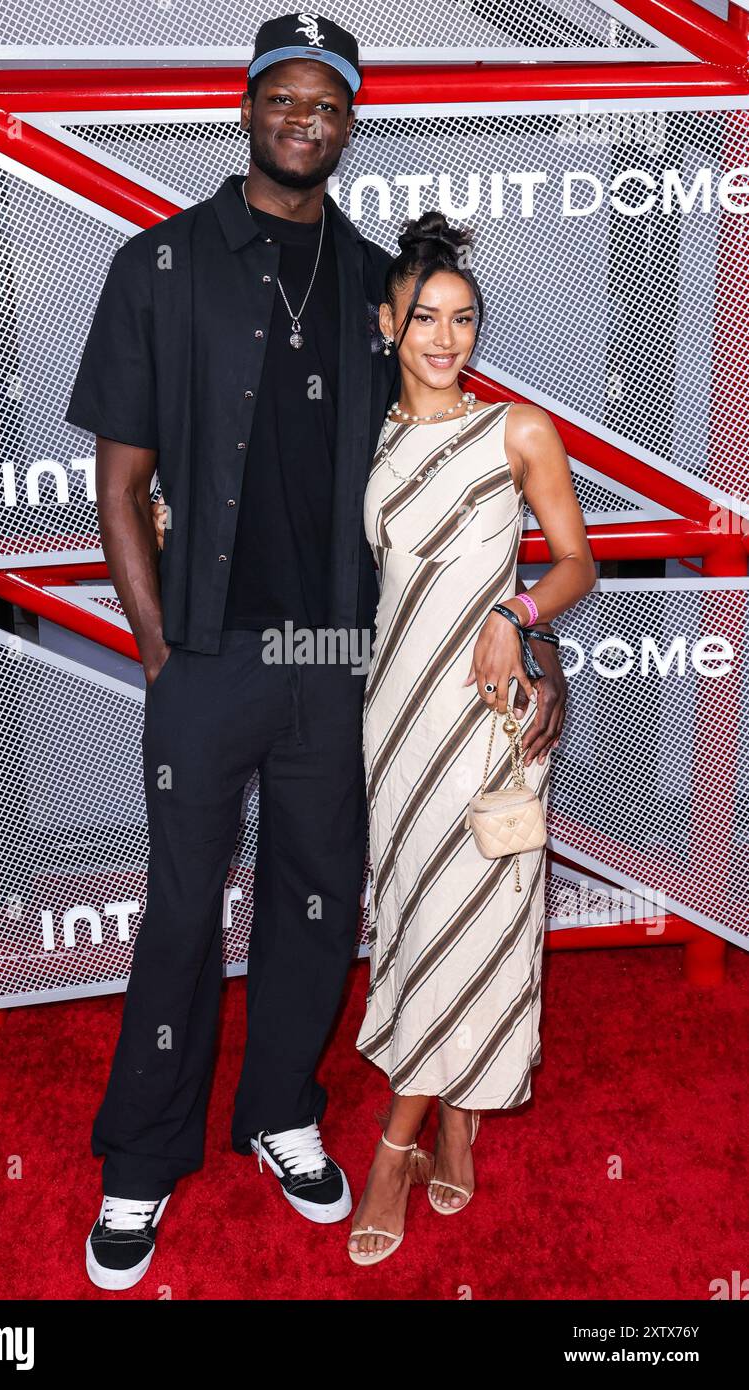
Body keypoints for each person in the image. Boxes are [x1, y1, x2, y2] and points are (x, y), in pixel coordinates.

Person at [67, 12, 565, 1292]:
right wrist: (163, 648)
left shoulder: (369, 287)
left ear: (350, 122)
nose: (303, 118)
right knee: (181, 909)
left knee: (312, 901)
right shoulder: (157, 265)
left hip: (343, 656)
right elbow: (121, 484)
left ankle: (281, 1107)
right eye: (282, 97)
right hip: (207, 657)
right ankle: (140, 1161)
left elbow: (467, 502)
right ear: (246, 106)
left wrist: (531, 640)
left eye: (326, 103)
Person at [343, 211, 596, 1265]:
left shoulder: (515, 432)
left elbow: (574, 564)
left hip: (483, 726)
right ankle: (452, 1113)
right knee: (414, 920)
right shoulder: (364, 436)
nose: (445, 339)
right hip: (395, 727)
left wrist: (519, 619)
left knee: (481, 922)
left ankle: (397, 1145)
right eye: (422, 320)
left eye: (461, 319)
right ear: (387, 326)